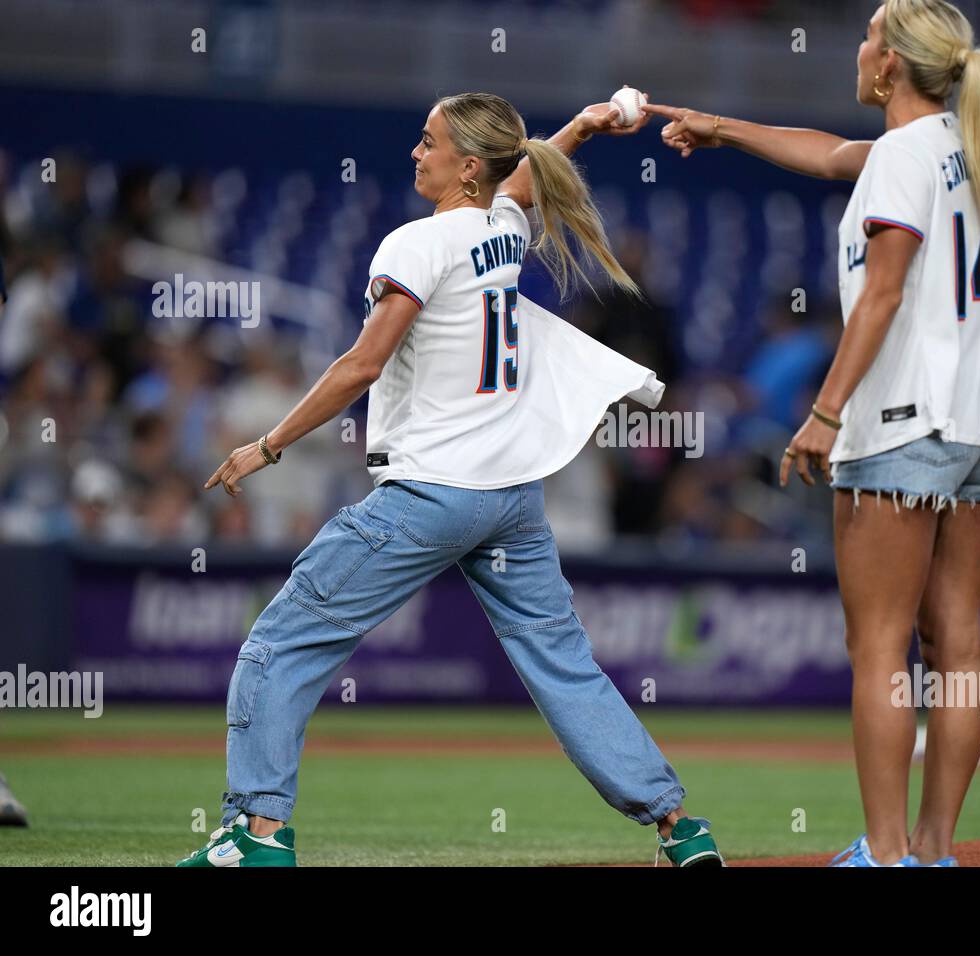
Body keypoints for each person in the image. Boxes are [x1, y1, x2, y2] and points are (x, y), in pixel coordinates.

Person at [177, 92, 723, 868]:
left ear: (469, 167)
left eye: (428, 141)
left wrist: (268, 445)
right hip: (511, 500)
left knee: (279, 641)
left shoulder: (417, 244)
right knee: (564, 666)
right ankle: (679, 827)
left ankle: (257, 837)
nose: (415, 152)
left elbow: (360, 365)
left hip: (432, 493)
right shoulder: (502, 228)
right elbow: (530, 173)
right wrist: (589, 126)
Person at [646, 0, 980, 867]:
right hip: (978, 424)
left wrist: (823, 412)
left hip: (898, 425)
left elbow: (881, 294)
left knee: (880, 646)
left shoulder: (900, 156)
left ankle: (883, 857)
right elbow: (827, 153)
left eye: (868, 38)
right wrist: (722, 128)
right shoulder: (959, 146)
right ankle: (931, 852)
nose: (858, 49)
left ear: (889, 66)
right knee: (957, 645)